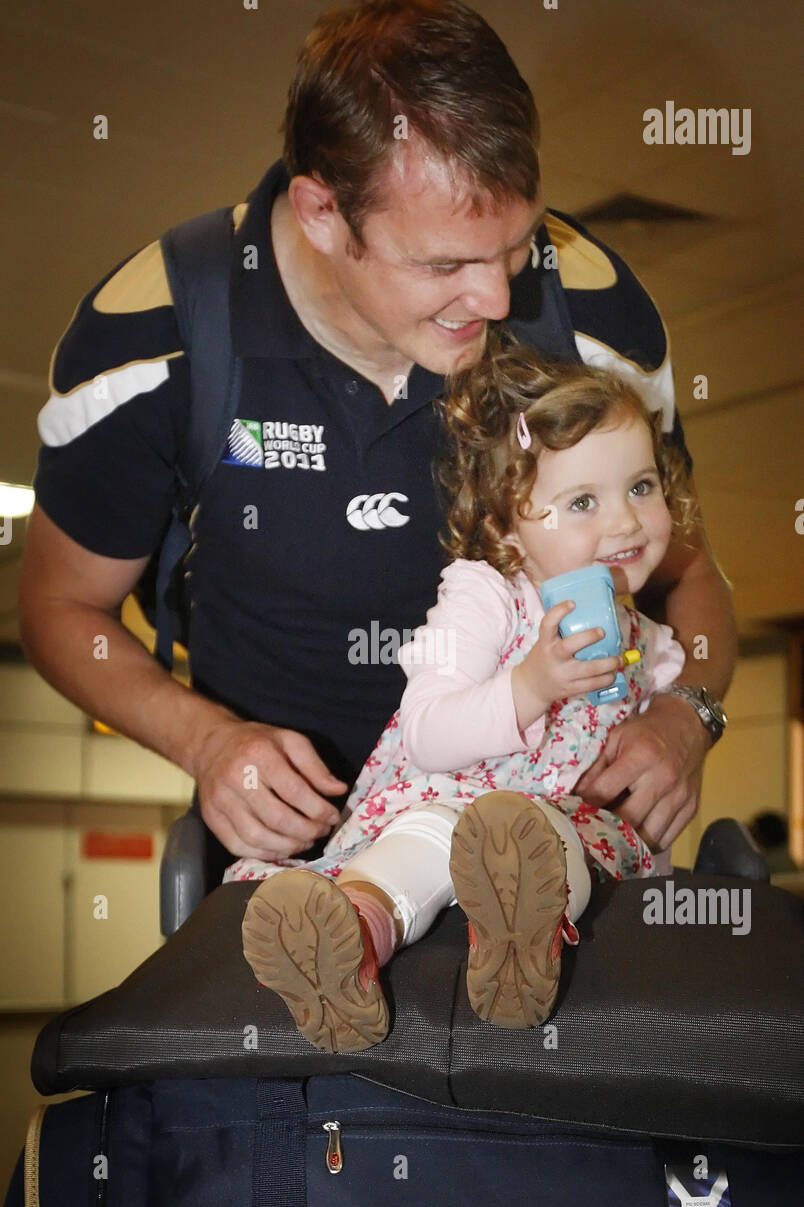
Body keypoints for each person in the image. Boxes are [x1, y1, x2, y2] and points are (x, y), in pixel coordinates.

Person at [20, 0, 735, 885]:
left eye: (512, 246)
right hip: (298, 870)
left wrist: (688, 715)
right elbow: (60, 610)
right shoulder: (157, 339)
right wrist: (205, 744)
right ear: (323, 213)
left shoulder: (590, 319)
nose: (496, 301)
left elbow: (689, 573)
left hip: (551, 851)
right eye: (443, 265)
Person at [234, 341, 694, 1052]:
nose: (627, 522)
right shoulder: (487, 598)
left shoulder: (652, 643)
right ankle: (350, 939)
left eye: (641, 487)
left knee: (552, 845)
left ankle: (520, 947)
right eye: (582, 502)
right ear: (510, 523)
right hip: (446, 803)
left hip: (556, 831)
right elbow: (427, 732)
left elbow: (656, 774)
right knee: (422, 844)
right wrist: (529, 686)